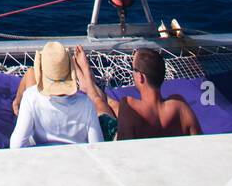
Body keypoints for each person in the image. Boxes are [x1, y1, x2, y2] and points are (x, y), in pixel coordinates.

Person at [73, 44, 201, 140]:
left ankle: (88, 85)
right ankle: (94, 87)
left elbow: (123, 150)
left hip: (134, 156)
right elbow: (203, 143)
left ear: (140, 77)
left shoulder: (130, 106)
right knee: (113, 105)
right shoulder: (180, 107)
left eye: (133, 69)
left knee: (99, 103)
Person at [9, 41, 103, 148]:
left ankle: (16, 104)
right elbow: (97, 146)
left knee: (30, 72)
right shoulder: (86, 103)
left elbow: (16, 145)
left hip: (41, 160)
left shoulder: (31, 97)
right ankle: (86, 76)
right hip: (76, 160)